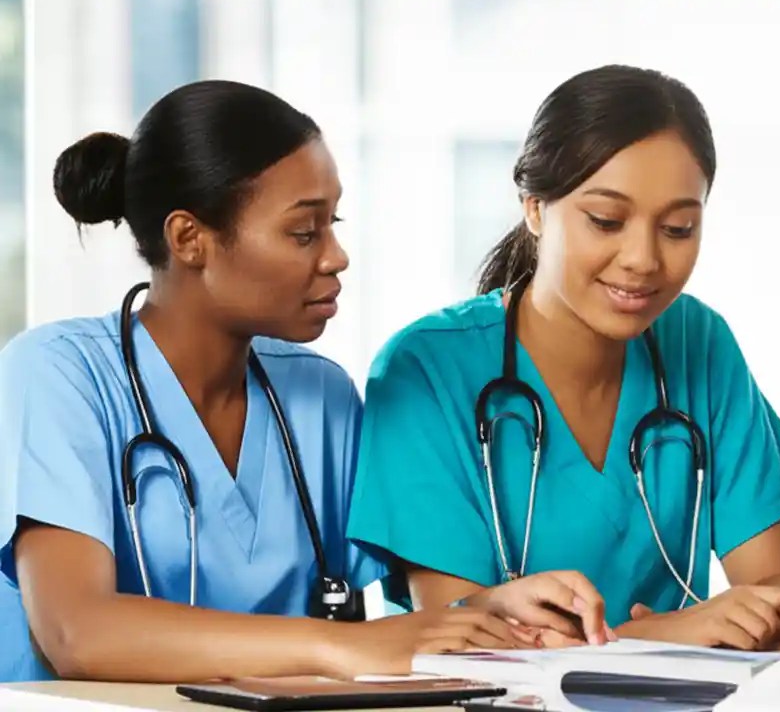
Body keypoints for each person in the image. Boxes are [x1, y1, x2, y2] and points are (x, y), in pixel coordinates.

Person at [0, 80, 572, 683]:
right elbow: (78, 633)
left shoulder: (320, 397)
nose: (336, 256)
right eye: (304, 232)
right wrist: (332, 646)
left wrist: (487, 609)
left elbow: (404, 611)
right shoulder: (59, 373)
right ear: (189, 239)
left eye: (333, 223)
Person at [346, 64, 780, 651]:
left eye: (678, 228)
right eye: (606, 221)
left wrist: (756, 614)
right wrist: (655, 637)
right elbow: (459, 634)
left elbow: (779, 582)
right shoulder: (426, 371)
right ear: (535, 209)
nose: (643, 259)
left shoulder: (700, 343)